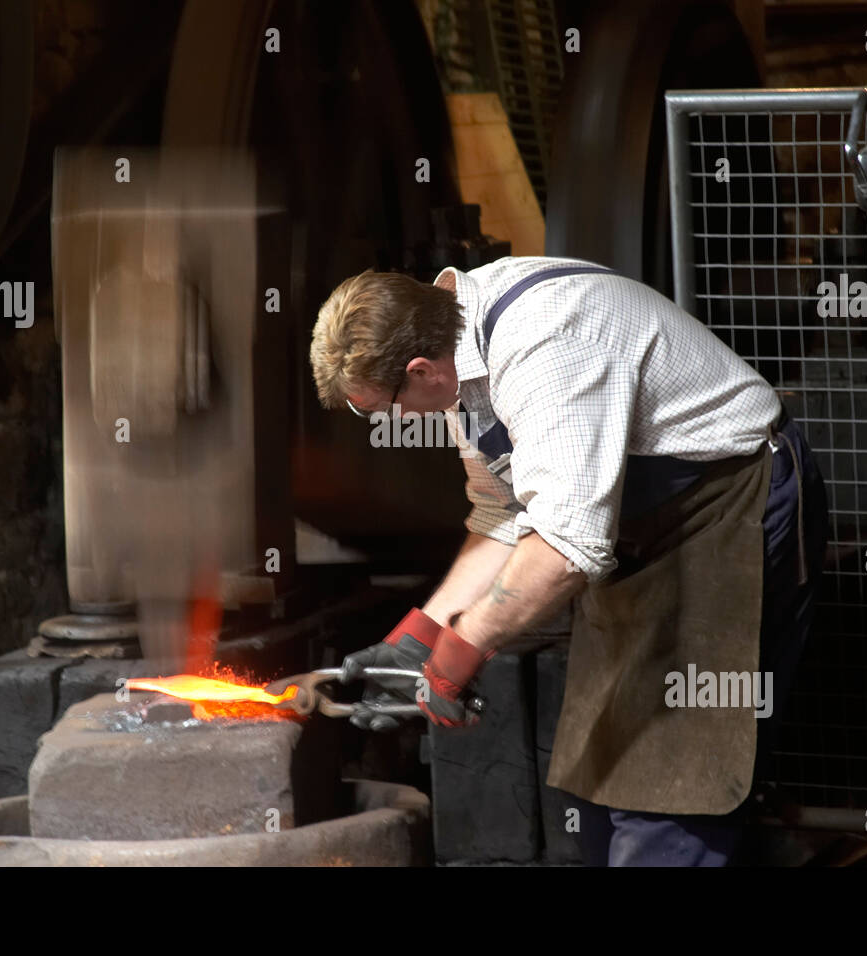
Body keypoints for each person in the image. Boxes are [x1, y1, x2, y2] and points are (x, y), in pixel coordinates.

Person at [308, 255, 829, 866]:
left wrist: (464, 645)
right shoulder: (456, 355)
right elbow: (503, 513)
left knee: (672, 778)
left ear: (420, 370)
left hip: (728, 506)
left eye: (375, 409)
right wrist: (423, 633)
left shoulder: (545, 345)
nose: (384, 425)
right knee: (609, 767)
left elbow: (565, 548)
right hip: (635, 526)